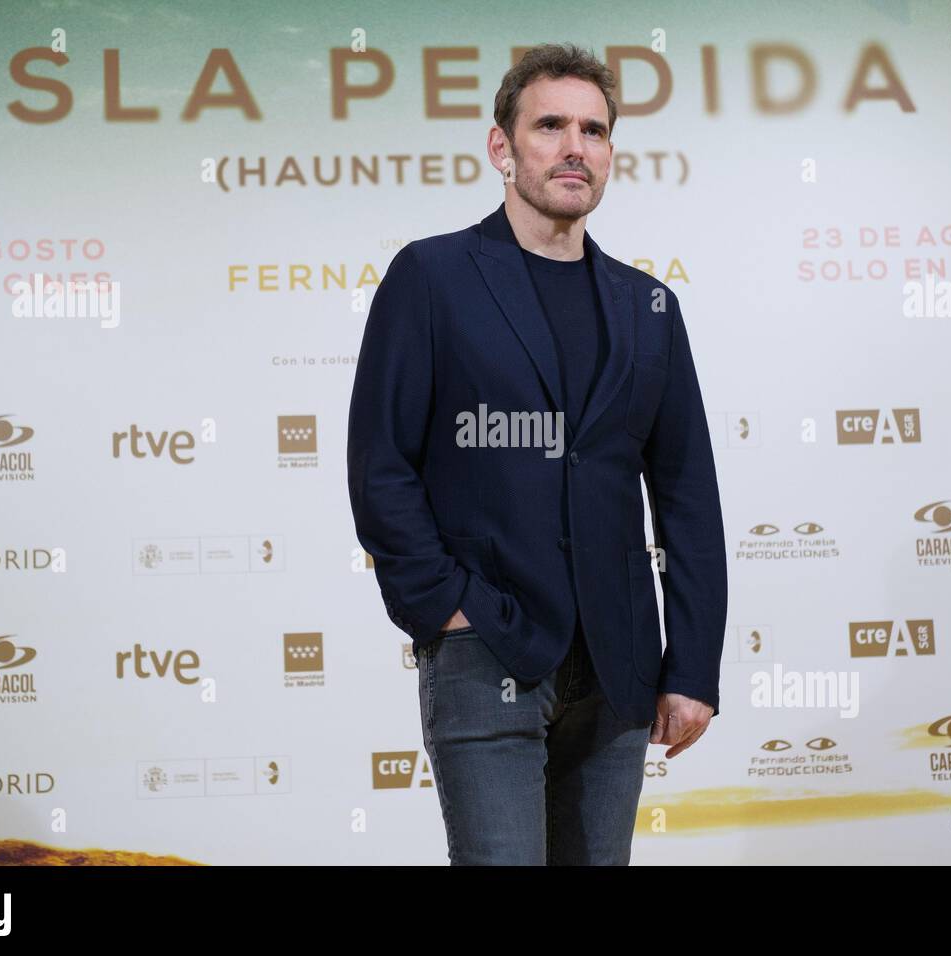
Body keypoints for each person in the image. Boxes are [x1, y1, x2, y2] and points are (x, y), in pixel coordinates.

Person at [346, 42, 727, 865]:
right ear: (502, 147)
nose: (573, 146)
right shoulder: (433, 276)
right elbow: (381, 463)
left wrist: (692, 665)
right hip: (487, 648)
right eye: (549, 125)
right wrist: (446, 611)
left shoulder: (648, 305)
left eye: (593, 130)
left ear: (610, 154)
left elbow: (688, 493)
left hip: (620, 662)